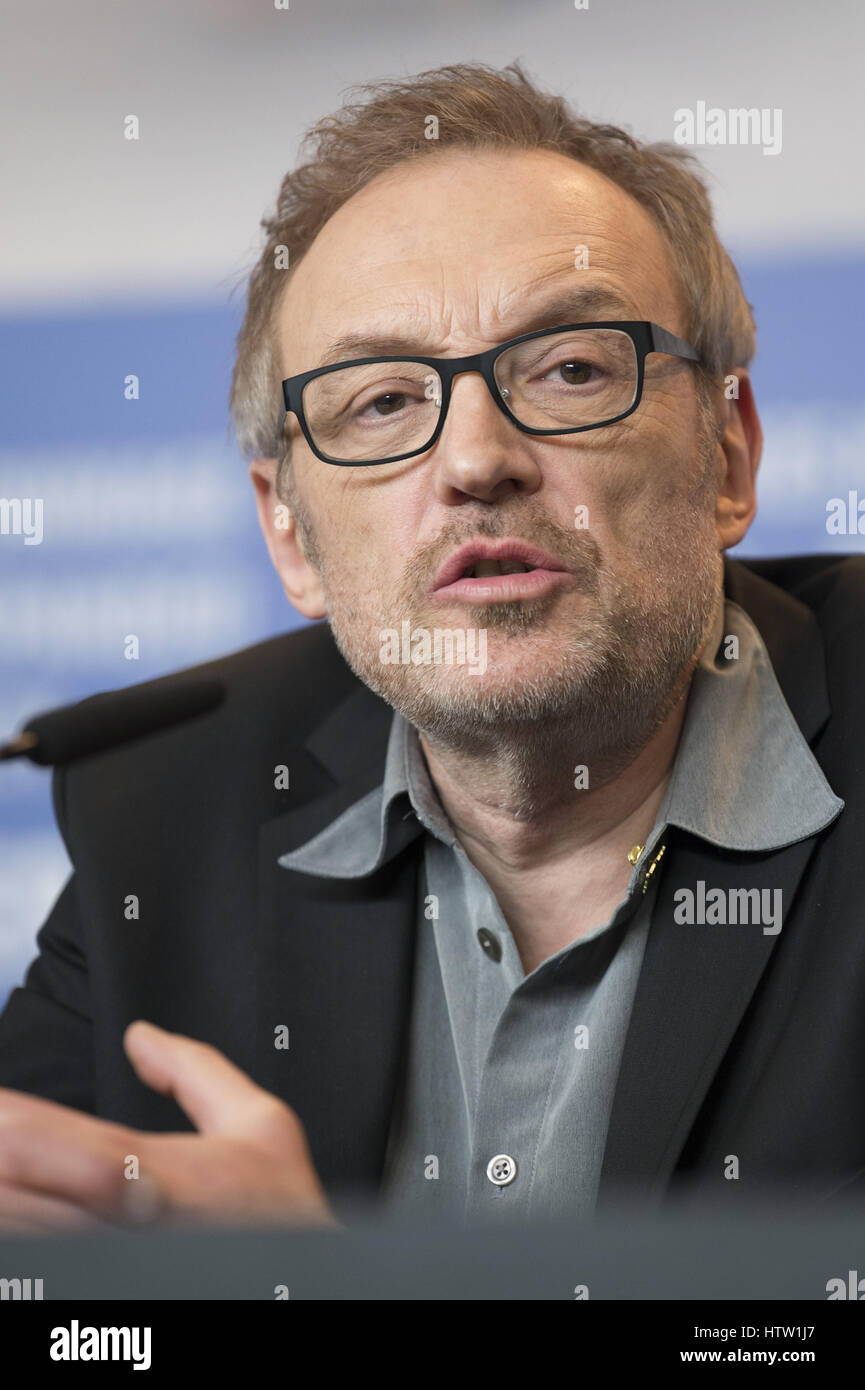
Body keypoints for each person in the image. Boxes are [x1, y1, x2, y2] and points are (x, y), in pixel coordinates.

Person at [0, 61, 862, 1235]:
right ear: (288, 533)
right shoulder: (157, 812)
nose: (475, 461)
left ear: (728, 458)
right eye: (383, 403)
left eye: (569, 369)